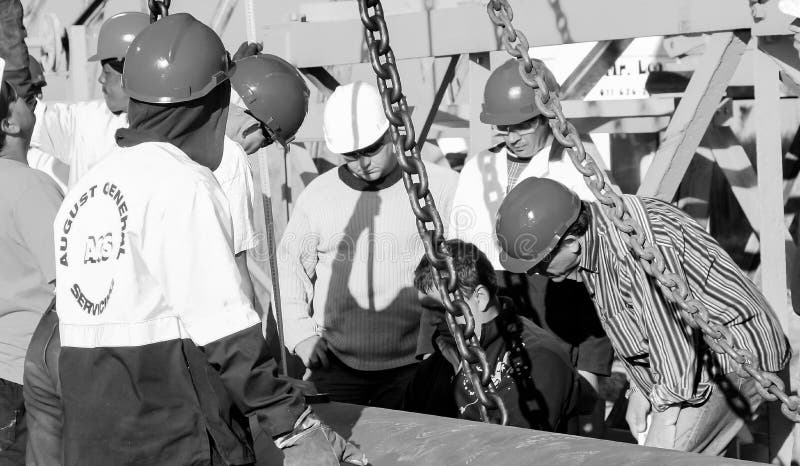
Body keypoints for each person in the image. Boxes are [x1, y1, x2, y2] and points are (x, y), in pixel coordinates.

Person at [49, 13, 365, 465]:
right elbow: (227, 331)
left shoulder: (82, 192)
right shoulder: (182, 183)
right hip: (176, 437)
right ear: (211, 104)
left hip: (91, 441)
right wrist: (293, 426)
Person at [495, 177, 790, 454]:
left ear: (571, 244)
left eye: (540, 262)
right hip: (687, 364)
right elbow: (640, 324)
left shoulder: (635, 248)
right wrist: (640, 387)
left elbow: (673, 338)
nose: (536, 273)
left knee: (661, 460)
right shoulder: (595, 239)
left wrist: (664, 421)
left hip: (729, 358)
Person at [448, 57, 613, 432]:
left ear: (549, 115)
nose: (512, 137)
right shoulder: (476, 170)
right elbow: (456, 254)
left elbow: (600, 269)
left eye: (523, 125)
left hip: (567, 310)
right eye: (504, 128)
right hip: (497, 317)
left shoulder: (577, 166)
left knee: (572, 433)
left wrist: (592, 364)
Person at [279, 81, 458, 409]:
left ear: (392, 131)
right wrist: (300, 335)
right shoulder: (317, 198)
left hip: (418, 363)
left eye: (371, 149)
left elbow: (466, 263)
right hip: (336, 365)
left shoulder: (440, 189)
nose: (362, 162)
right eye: (350, 154)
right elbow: (289, 270)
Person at [409, 239, 592, 431]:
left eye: (443, 308)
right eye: (431, 309)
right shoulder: (441, 357)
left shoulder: (538, 359)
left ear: (480, 298)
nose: (437, 320)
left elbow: (519, 450)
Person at [0, 75, 62, 465]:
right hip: (28, 377)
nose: (30, 99)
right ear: (9, 123)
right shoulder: (33, 188)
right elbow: (75, 287)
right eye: (20, 96)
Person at [31, 11, 148, 188]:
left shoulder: (173, 134)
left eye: (107, 72)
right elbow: (31, 115)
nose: (100, 79)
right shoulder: (86, 121)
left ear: (131, 75)